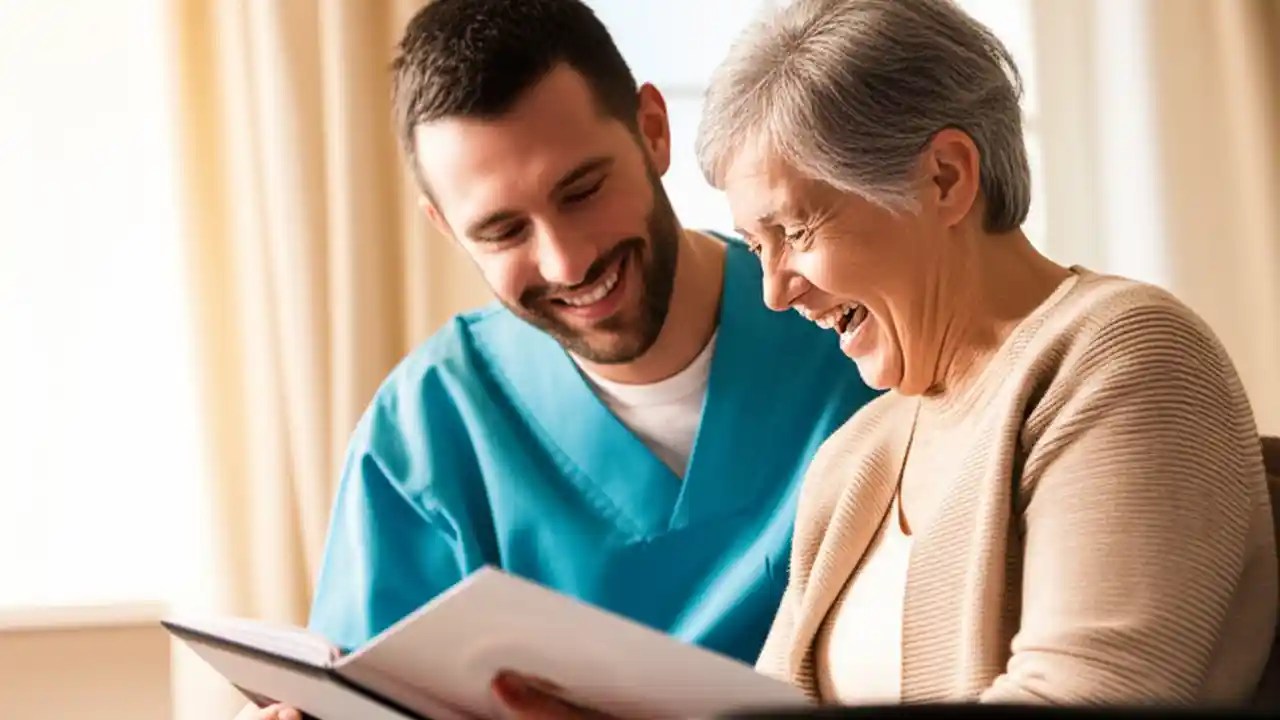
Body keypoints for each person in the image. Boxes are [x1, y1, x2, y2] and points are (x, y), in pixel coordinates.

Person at [490, 0, 1280, 716]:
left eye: (794, 233)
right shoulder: (854, 459)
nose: (773, 291)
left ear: (944, 178)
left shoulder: (1123, 355)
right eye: (756, 246)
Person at [237, 0, 881, 718]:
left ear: (654, 131)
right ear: (447, 229)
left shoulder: (855, 337)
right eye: (503, 230)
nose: (567, 261)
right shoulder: (426, 433)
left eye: (582, 190)